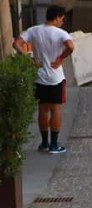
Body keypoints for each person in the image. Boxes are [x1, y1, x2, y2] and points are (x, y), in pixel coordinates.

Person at [13, 5, 75, 154]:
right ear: (58, 17)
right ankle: (54, 144)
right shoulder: (61, 33)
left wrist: (30, 60)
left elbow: (16, 44)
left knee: (43, 109)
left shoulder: (34, 30)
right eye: (62, 18)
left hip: (39, 76)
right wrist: (60, 59)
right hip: (55, 77)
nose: (62, 21)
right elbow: (71, 47)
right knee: (56, 109)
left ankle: (44, 143)